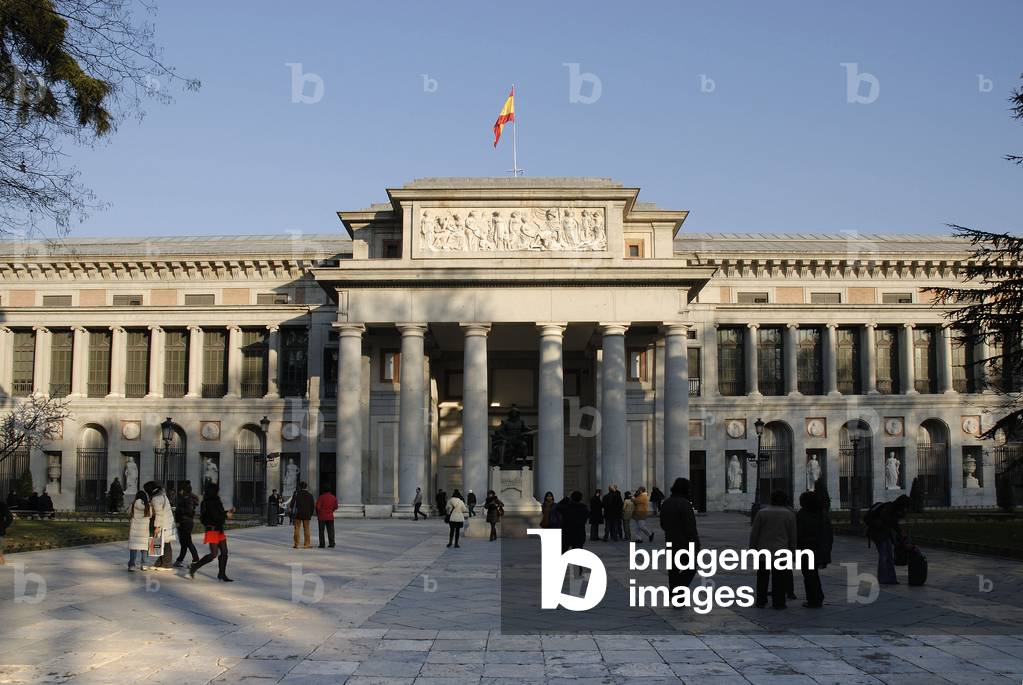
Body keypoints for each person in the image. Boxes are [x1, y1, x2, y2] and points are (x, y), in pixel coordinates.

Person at [749, 490, 797, 609]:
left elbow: (754, 533)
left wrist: (752, 548)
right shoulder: (789, 514)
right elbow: (792, 535)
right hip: (781, 550)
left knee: (762, 578)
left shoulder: (762, 513)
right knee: (779, 578)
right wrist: (793, 550)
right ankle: (779, 602)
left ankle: (761, 601)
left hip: (763, 550)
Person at [660, 477, 700, 593]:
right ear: (685, 489)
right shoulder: (685, 504)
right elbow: (690, 527)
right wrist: (696, 544)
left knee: (673, 570)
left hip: (670, 542)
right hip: (685, 544)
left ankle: (676, 595)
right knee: (691, 568)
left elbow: (663, 525)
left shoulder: (666, 503)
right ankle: (678, 591)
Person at [189, 483, 235, 582]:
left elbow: (219, 514)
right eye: (217, 490)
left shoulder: (216, 500)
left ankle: (222, 574)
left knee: (224, 552)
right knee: (213, 554)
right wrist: (226, 515)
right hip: (212, 530)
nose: (218, 492)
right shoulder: (208, 502)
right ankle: (194, 567)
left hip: (219, 529)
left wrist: (227, 512)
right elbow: (214, 516)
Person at [796, 491, 833, 608]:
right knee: (814, 574)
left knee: (809, 576)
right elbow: (828, 535)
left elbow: (798, 534)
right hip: (819, 549)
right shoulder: (822, 515)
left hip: (806, 550)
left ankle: (813, 600)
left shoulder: (802, 515)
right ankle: (818, 597)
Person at [866, 494, 911, 585]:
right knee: (884, 556)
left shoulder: (893, 509)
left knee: (889, 556)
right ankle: (883, 579)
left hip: (884, 533)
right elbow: (891, 523)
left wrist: (900, 533)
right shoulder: (889, 509)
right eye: (905, 507)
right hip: (878, 533)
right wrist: (899, 532)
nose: (905, 510)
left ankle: (891, 578)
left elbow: (893, 524)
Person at [555, 491, 590, 575]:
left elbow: (557, 507)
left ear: (571, 498)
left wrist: (566, 498)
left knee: (561, 552)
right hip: (579, 534)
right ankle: (579, 571)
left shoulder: (566, 507)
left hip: (567, 534)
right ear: (580, 499)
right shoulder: (584, 508)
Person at [147, 482, 176, 570]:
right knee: (163, 543)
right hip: (167, 522)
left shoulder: (156, 499)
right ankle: (160, 562)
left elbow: (159, 514)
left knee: (165, 543)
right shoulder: (163, 495)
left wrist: (157, 526)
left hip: (163, 524)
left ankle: (167, 564)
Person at [173, 482, 200, 568]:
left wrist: (178, 509)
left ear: (184, 490)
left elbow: (189, 511)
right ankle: (179, 560)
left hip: (186, 523)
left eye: (181, 490)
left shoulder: (188, 499)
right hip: (183, 522)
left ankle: (196, 559)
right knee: (184, 543)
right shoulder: (184, 498)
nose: (179, 491)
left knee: (187, 542)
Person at [127, 490, 152, 572]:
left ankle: (132, 565)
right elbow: (151, 515)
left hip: (135, 530)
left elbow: (128, 512)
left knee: (133, 548)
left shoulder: (134, 504)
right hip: (144, 530)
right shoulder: (148, 505)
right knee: (144, 548)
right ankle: (144, 564)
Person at [290, 481, 315, 549]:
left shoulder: (296, 494)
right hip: (307, 514)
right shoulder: (310, 495)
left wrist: (291, 511)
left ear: (300, 487)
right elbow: (312, 505)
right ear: (306, 487)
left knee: (297, 529)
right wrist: (310, 513)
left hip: (298, 514)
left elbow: (292, 503)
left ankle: (296, 544)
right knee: (306, 529)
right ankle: (306, 544)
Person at [0, 497, 13, 566]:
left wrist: (3, 526)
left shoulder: (2, 505)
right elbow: (10, 518)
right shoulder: (2, 505)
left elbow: (9, 518)